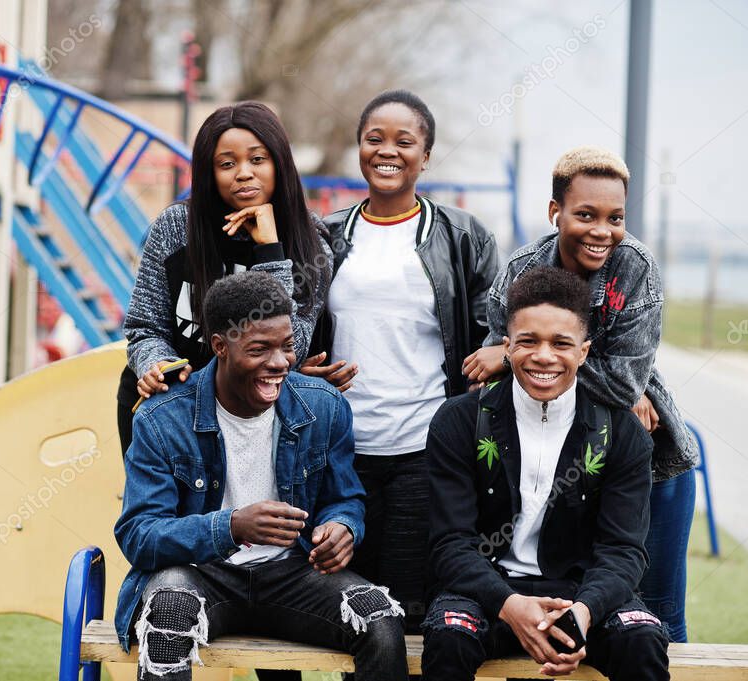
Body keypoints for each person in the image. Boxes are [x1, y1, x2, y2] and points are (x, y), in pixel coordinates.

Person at [114, 272, 407, 681]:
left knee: (378, 618)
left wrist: (343, 527)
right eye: (259, 349)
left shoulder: (324, 405)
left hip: (290, 575)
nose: (279, 362)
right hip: (201, 575)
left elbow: (345, 498)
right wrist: (231, 527)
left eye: (287, 346)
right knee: (170, 615)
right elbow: (139, 535)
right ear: (220, 346)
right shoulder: (162, 417)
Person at [462, 146, 698, 642]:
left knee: (659, 617)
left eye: (616, 218)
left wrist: (516, 358)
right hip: (561, 471)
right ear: (556, 212)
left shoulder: (636, 269)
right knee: (577, 609)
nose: (602, 231)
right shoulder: (521, 270)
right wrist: (516, 361)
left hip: (650, 462)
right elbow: (493, 375)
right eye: (586, 215)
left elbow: (624, 383)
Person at [304, 90, 499, 631]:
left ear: (426, 155)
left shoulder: (462, 236)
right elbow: (290, 332)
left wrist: (499, 353)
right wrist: (301, 373)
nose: (387, 151)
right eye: (375, 139)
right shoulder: (323, 236)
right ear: (359, 149)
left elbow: (496, 328)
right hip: (341, 454)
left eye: (404, 141)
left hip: (423, 448)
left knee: (411, 611)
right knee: (353, 615)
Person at [423, 266, 670, 681]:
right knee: (450, 636)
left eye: (561, 343)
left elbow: (623, 550)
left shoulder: (621, 432)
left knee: (641, 637)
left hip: (581, 594)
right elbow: (450, 544)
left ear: (583, 352)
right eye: (528, 341)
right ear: (506, 347)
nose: (543, 356)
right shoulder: (459, 421)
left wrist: (583, 613)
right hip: (486, 591)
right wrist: (510, 605)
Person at [117, 101, 332, 455]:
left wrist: (270, 251)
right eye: (227, 163)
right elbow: (144, 328)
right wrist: (156, 365)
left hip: (254, 416)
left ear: (279, 163)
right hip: (170, 410)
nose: (244, 173)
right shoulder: (176, 227)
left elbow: (292, 346)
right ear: (209, 173)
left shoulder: (312, 244)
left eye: (257, 159)